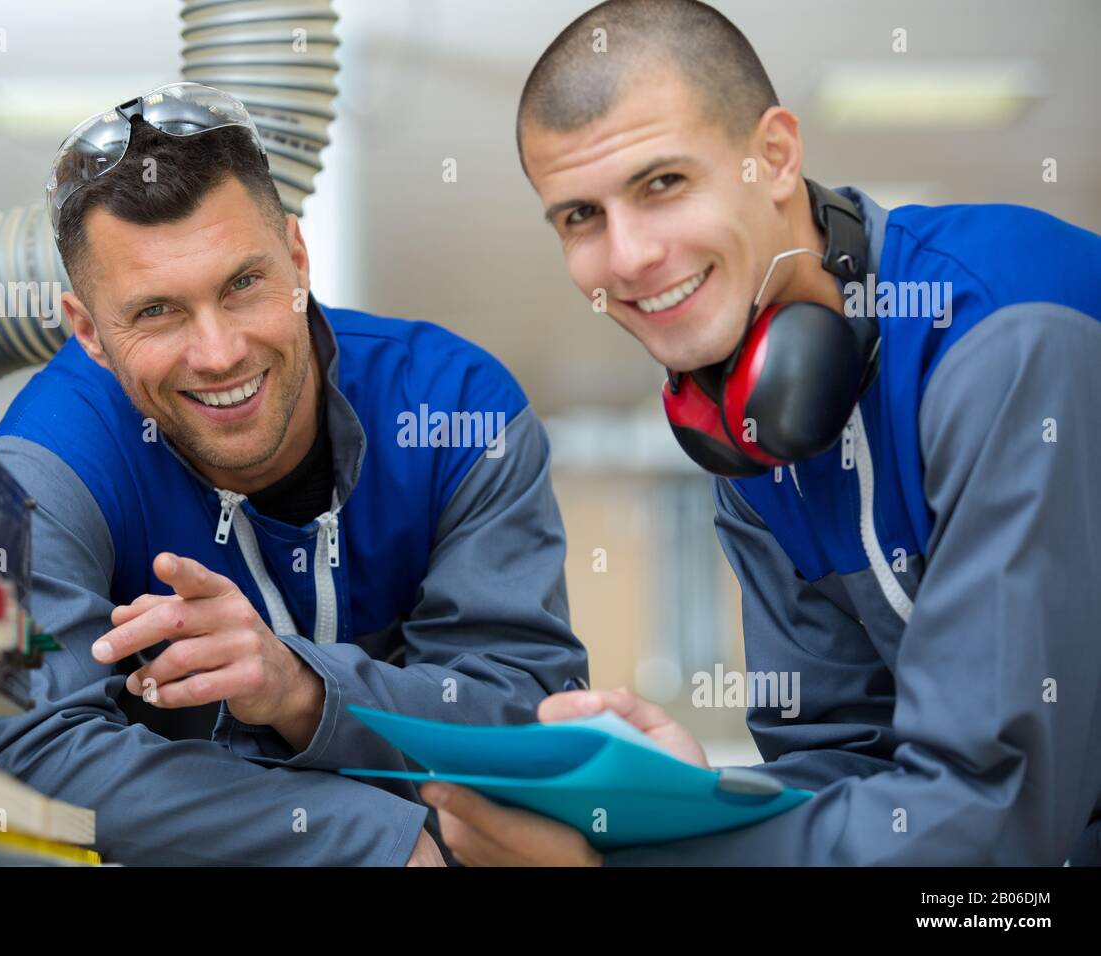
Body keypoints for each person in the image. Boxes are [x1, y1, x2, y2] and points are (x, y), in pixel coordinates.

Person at [424, 0, 1101, 866]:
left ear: (774, 157)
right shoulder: (749, 427)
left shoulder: (1007, 339)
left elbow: (995, 826)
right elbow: (849, 759)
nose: (627, 257)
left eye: (662, 183)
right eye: (580, 217)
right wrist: (683, 805)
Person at [0, 83, 588, 866]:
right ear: (88, 332)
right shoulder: (31, 470)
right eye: (156, 312)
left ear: (297, 258)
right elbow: (15, 756)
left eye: (242, 284)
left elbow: (532, 721)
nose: (218, 354)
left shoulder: (459, 409)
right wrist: (373, 841)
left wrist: (302, 690)